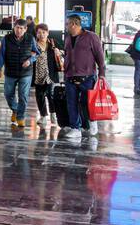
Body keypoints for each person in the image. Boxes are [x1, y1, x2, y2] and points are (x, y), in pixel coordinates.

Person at [61, 13, 105, 141]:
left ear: (74, 24)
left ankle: (92, 123)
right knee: (71, 103)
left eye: (67, 24)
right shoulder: (68, 38)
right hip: (70, 77)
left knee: (87, 103)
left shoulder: (91, 37)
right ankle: (75, 129)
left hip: (87, 77)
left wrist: (102, 74)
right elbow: (69, 55)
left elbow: (100, 57)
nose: (66, 26)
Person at [0, 17, 36, 127]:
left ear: (25, 29)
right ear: (14, 28)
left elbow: (36, 53)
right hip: (10, 71)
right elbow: (2, 54)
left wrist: (30, 60)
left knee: (23, 96)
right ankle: (15, 109)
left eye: (21, 28)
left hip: (26, 73)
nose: (19, 30)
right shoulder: (7, 38)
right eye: (17, 28)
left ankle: (20, 117)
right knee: (8, 94)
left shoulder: (30, 38)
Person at [30, 23, 62, 129]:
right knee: (39, 96)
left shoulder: (52, 43)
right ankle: (43, 115)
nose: (41, 34)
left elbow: (64, 52)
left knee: (50, 94)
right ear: (36, 34)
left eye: (44, 32)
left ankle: (53, 114)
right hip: (38, 74)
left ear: (47, 33)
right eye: (39, 32)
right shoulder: (33, 44)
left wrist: (59, 52)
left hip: (50, 74)